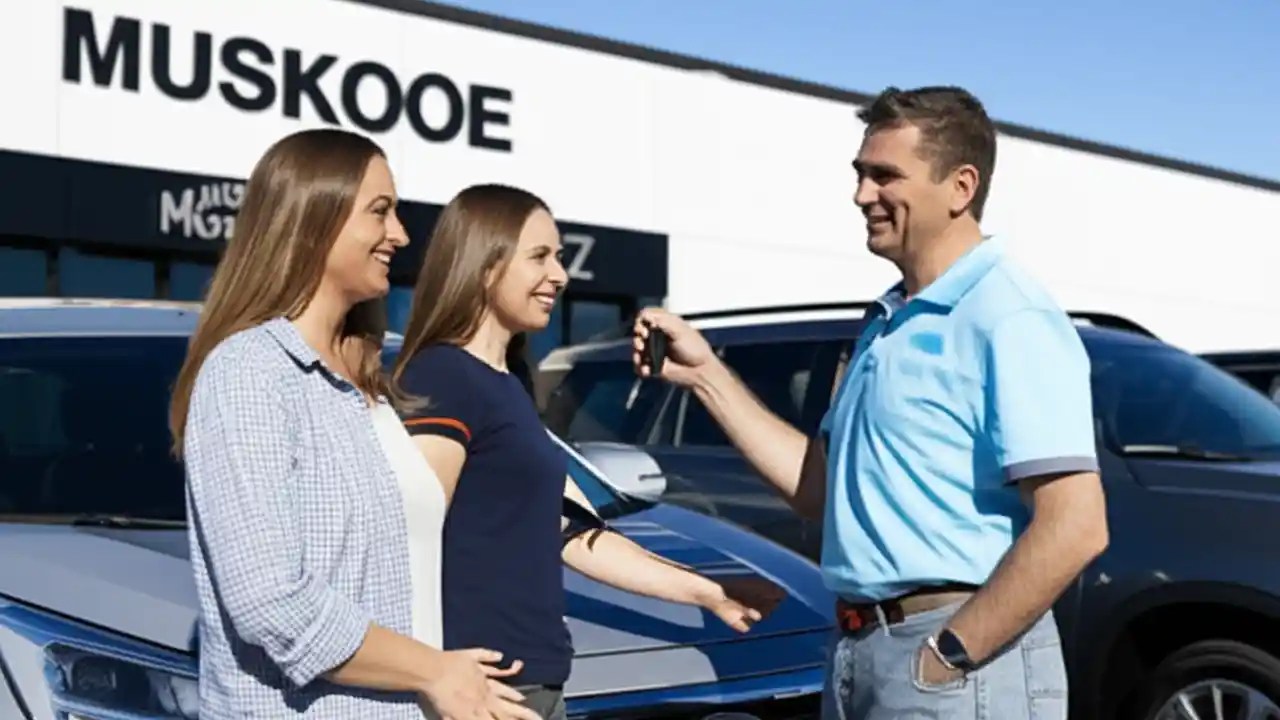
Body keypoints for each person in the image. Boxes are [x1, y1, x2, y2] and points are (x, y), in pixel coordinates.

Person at [631, 86, 1110, 719]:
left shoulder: (1008, 315)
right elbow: (821, 493)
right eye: (860, 175)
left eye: (885, 176)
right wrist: (707, 377)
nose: (861, 195)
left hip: (956, 662)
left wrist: (950, 653)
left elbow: (1076, 525)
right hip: (862, 650)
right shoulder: (890, 320)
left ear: (961, 187)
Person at [169, 129, 538, 720]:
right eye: (381, 212)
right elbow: (271, 601)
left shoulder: (367, 383)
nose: (401, 234)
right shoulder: (250, 372)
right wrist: (436, 670)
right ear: (314, 219)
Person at [390, 183, 786, 720]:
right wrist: (435, 672)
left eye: (558, 256)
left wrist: (707, 592)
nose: (560, 274)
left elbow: (571, 533)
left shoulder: (507, 383)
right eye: (540, 257)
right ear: (484, 266)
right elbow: (401, 538)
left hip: (534, 683)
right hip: (484, 693)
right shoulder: (443, 377)